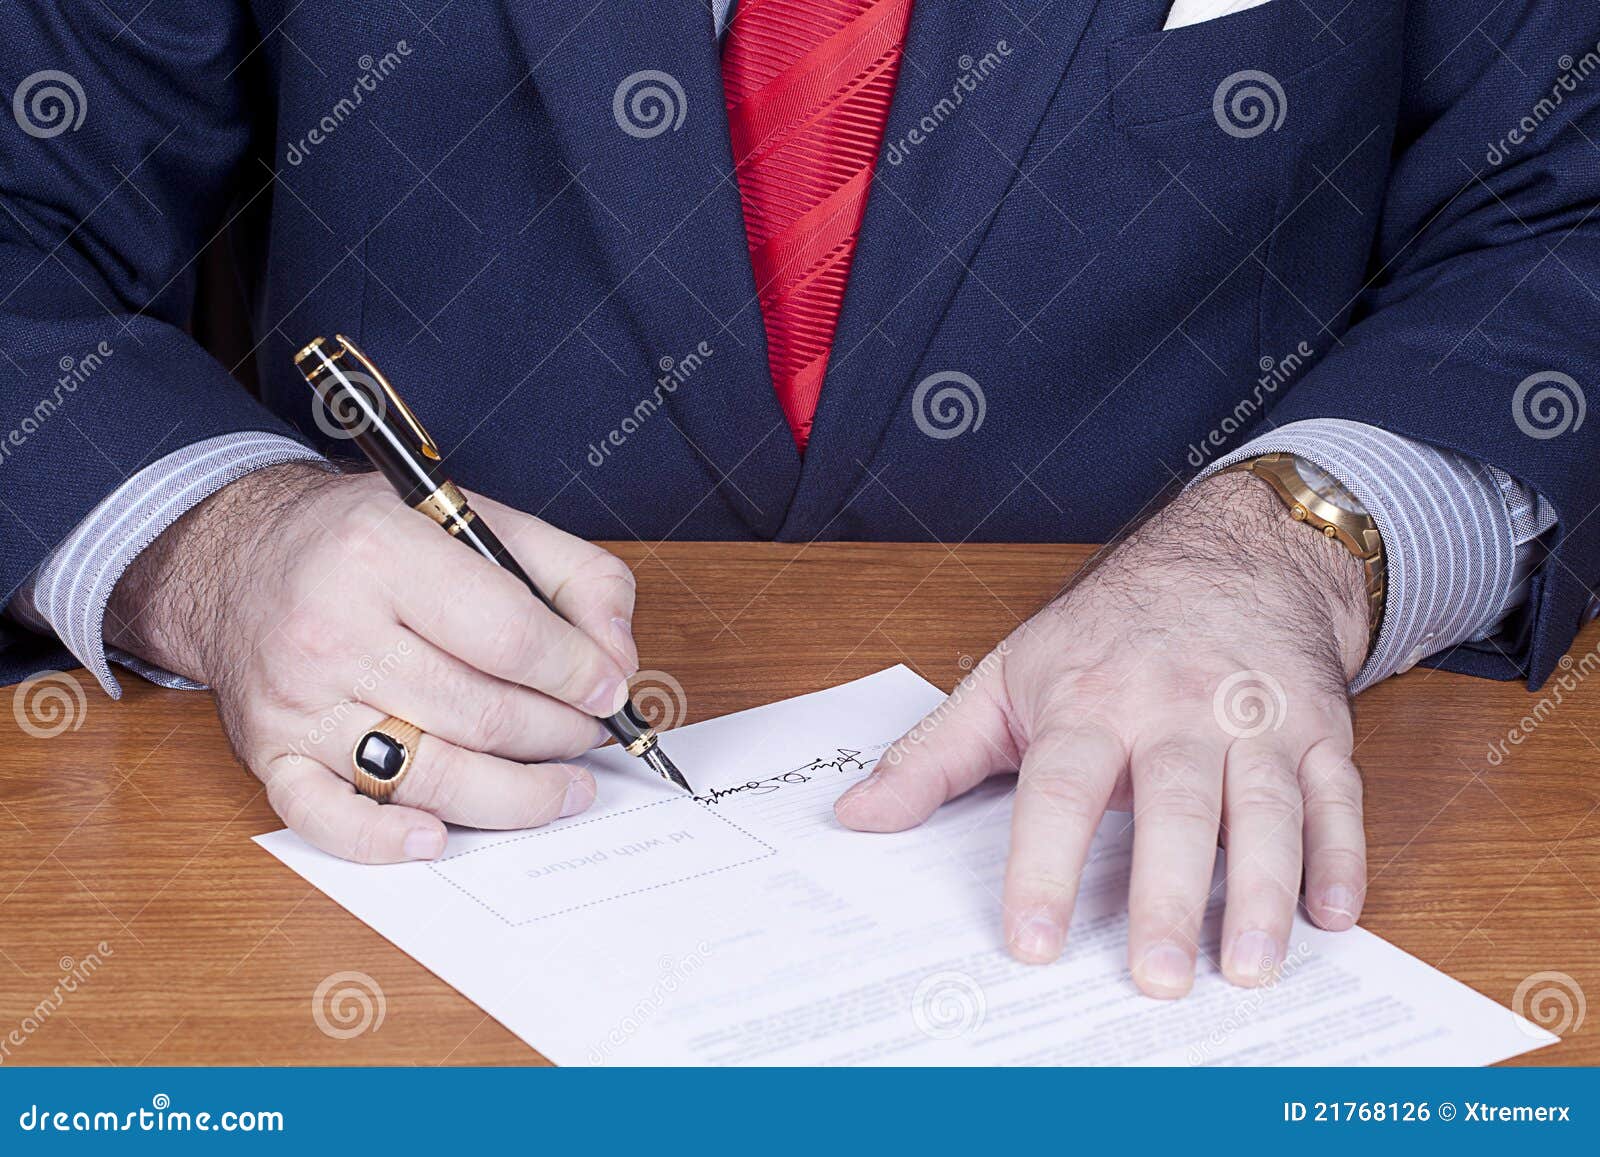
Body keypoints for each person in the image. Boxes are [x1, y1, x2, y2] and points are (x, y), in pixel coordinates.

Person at [2, 1, 1596, 1000]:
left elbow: (1567, 204)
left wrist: (1299, 550)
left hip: (1227, 873)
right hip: (356, 935)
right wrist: (207, 548)